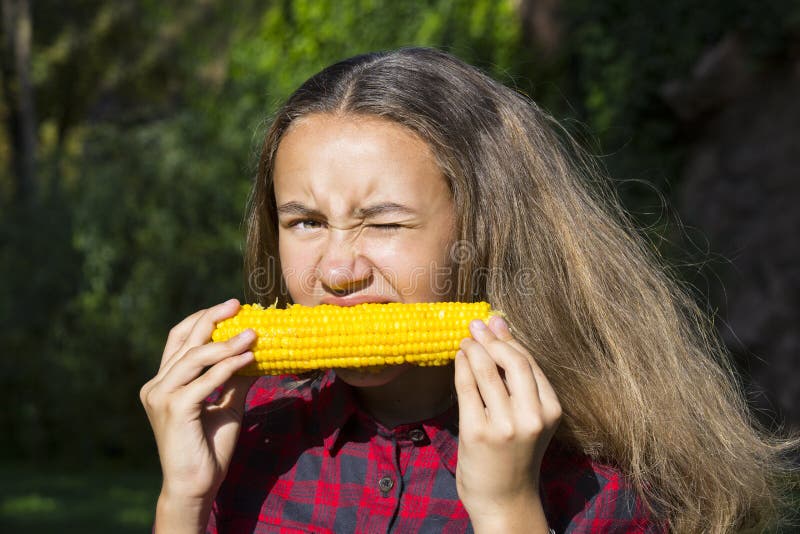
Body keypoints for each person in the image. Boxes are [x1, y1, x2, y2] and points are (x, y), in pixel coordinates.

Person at [140, 48, 796, 533]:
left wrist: (507, 508)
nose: (337, 269)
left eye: (385, 221)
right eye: (306, 222)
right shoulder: (252, 438)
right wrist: (186, 499)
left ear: (485, 235)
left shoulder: (603, 481)